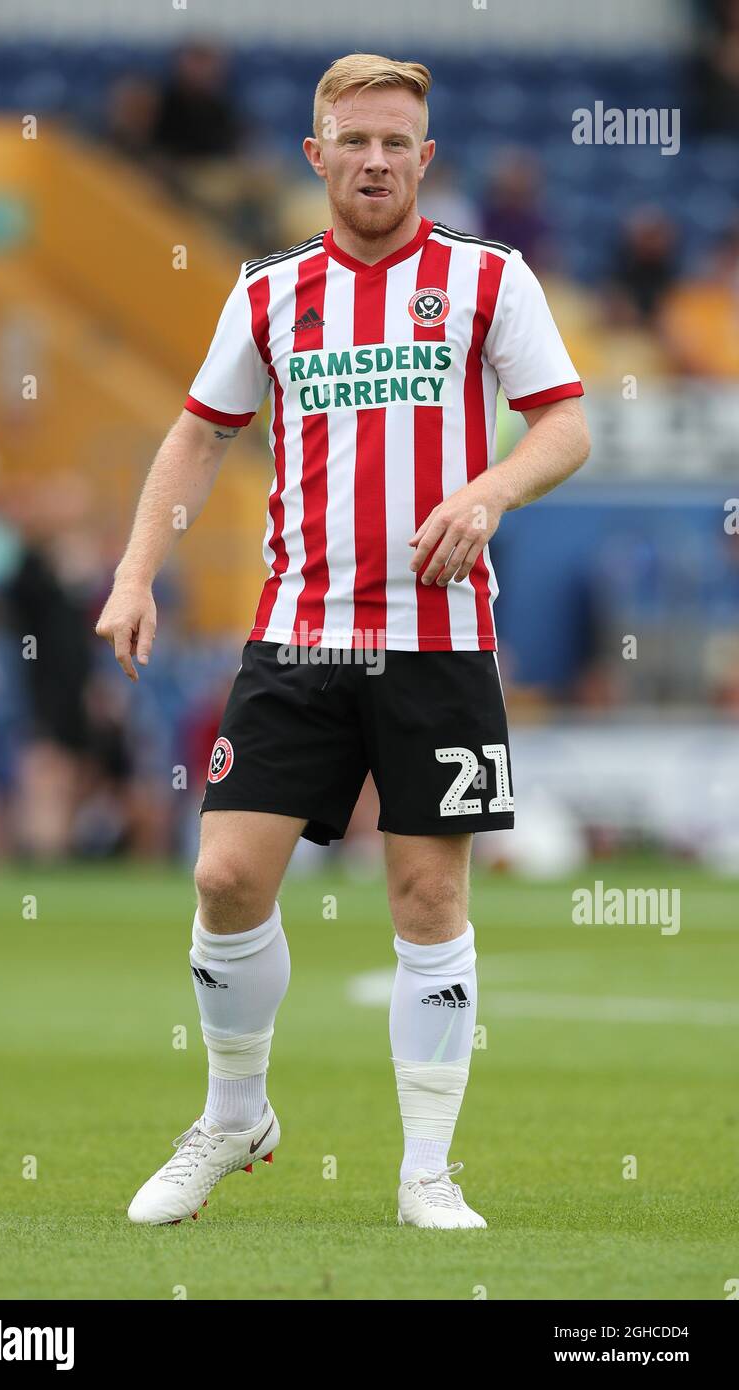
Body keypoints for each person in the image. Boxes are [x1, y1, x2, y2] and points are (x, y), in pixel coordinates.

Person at [96, 52, 590, 1231]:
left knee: (425, 895)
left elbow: (565, 425)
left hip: (440, 639)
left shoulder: (487, 279)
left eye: (397, 143)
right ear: (316, 157)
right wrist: (133, 572)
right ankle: (234, 1115)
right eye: (354, 141)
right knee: (223, 875)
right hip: (299, 633)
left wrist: (489, 494)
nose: (376, 161)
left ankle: (427, 1169)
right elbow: (197, 437)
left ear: (428, 157)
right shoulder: (268, 292)